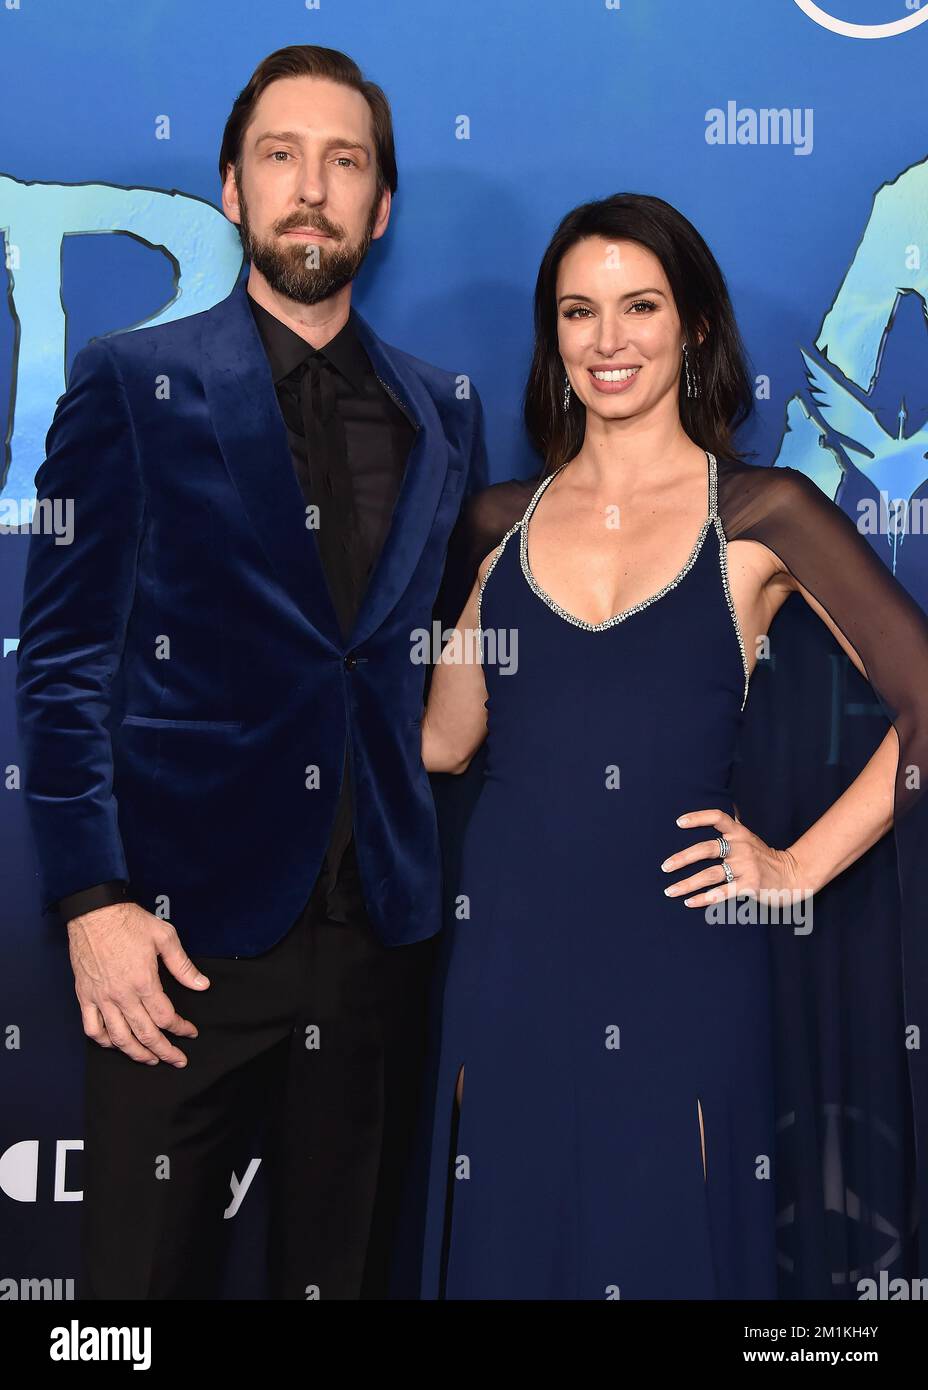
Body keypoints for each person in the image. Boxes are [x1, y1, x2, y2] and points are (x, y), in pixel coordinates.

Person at [15, 44, 486, 1300]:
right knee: (129, 1304)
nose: (311, 188)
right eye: (281, 155)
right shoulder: (129, 384)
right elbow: (59, 665)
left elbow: (420, 665)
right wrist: (93, 904)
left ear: (381, 206)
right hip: (175, 946)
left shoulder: (443, 412)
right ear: (232, 188)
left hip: (377, 937)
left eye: (345, 162)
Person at [411, 193, 928, 1299]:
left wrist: (792, 868)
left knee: (670, 1257)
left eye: (639, 306)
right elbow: (446, 743)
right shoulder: (498, 522)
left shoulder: (760, 512)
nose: (608, 340)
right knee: (504, 1255)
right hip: (505, 954)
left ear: (692, 325)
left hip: (679, 954)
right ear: (551, 335)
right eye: (578, 312)